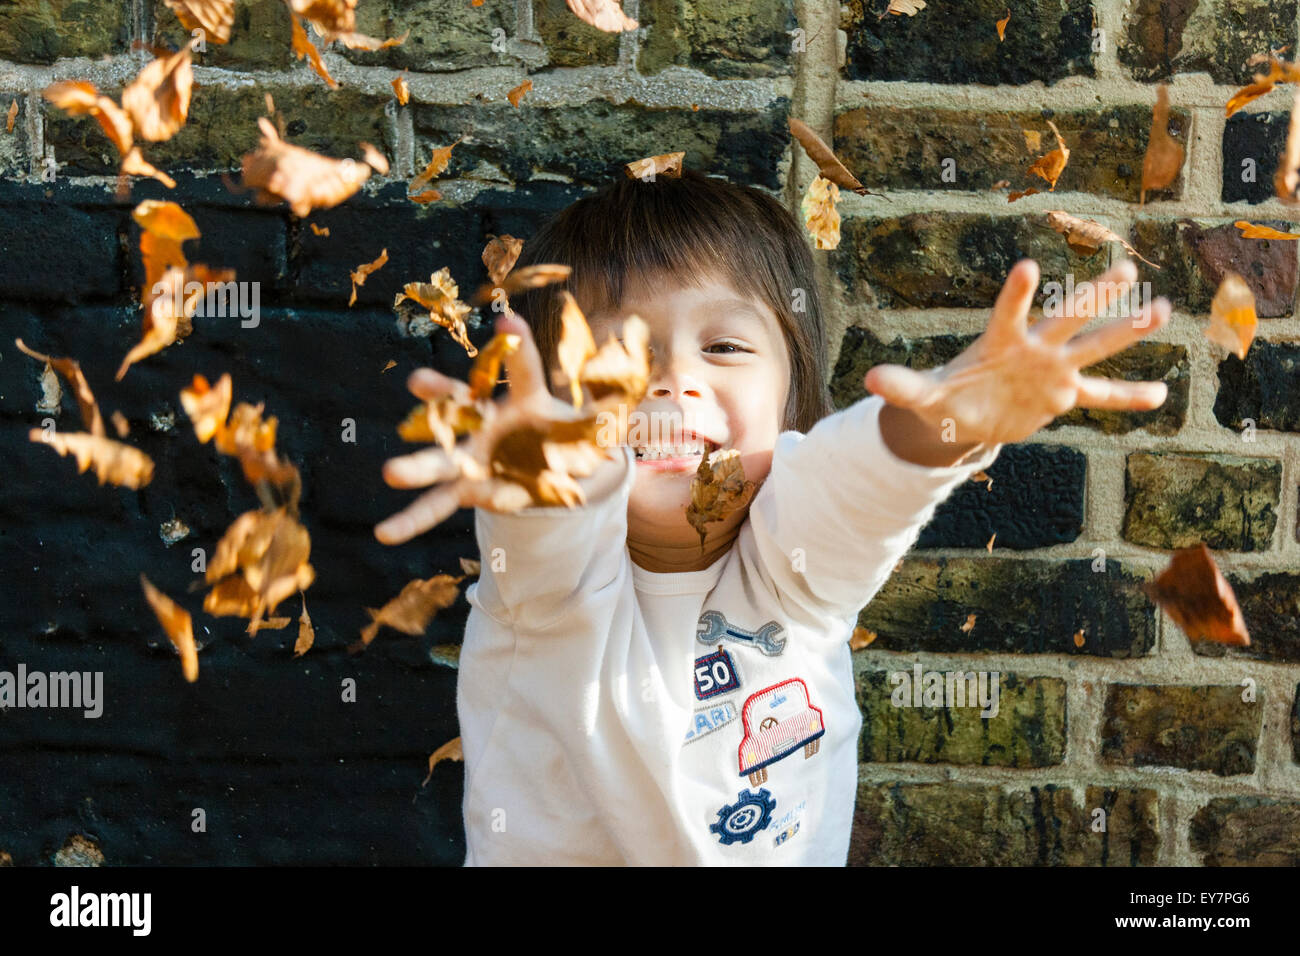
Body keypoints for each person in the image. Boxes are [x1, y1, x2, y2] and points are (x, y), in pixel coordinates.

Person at [373, 169, 1170, 864]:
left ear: (793, 403)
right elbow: (551, 518)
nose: (671, 379)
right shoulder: (543, 597)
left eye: (722, 347)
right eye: (614, 356)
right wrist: (543, 464)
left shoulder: (801, 571)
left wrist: (956, 414)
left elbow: (860, 480)